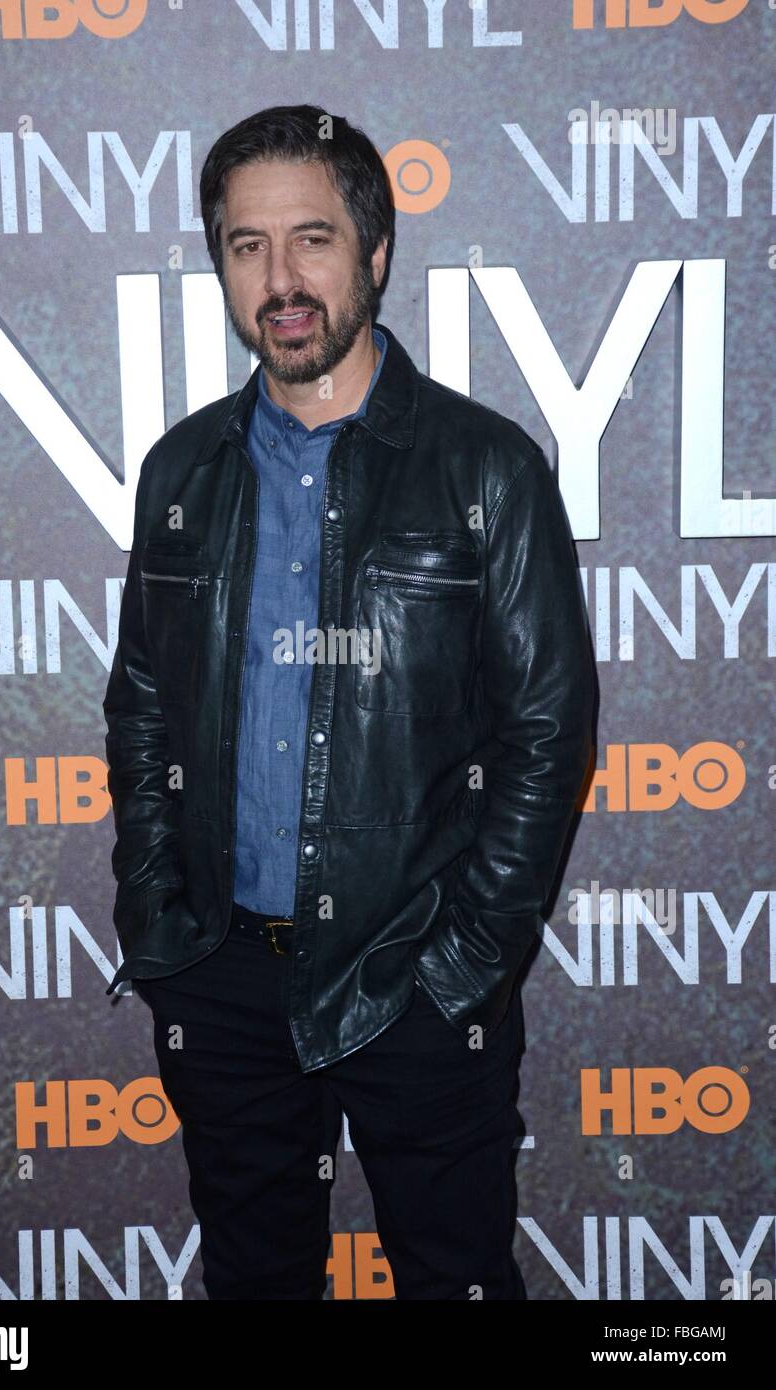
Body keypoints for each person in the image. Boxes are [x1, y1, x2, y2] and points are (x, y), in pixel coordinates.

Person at [103, 103, 596, 1301]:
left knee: (452, 1274)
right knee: (254, 1277)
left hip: (417, 973)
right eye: (244, 245)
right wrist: (162, 915)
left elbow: (546, 729)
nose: (280, 280)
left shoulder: (485, 467)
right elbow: (143, 704)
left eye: (311, 240)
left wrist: (464, 959)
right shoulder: (182, 471)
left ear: (375, 253)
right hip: (221, 976)